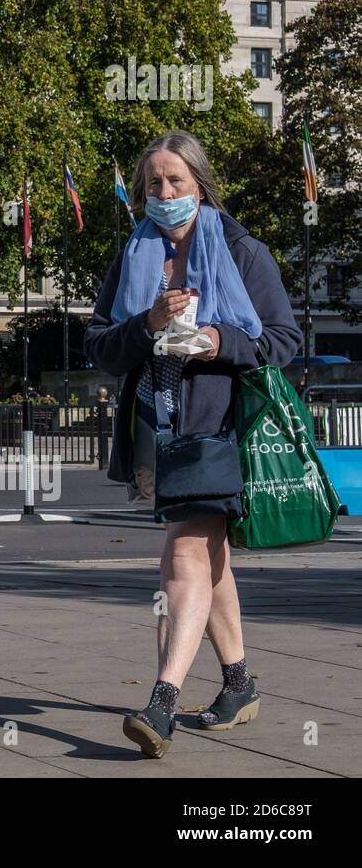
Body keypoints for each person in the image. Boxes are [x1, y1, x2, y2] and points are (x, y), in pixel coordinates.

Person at [84, 130, 299, 758]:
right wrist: (147, 323)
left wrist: (215, 341)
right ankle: (239, 683)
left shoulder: (241, 249)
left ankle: (163, 703)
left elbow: (282, 341)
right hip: (158, 429)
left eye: (175, 181)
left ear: (200, 184)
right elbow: (100, 344)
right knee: (208, 559)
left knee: (182, 557)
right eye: (153, 183)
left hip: (220, 429)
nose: (164, 192)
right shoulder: (135, 253)